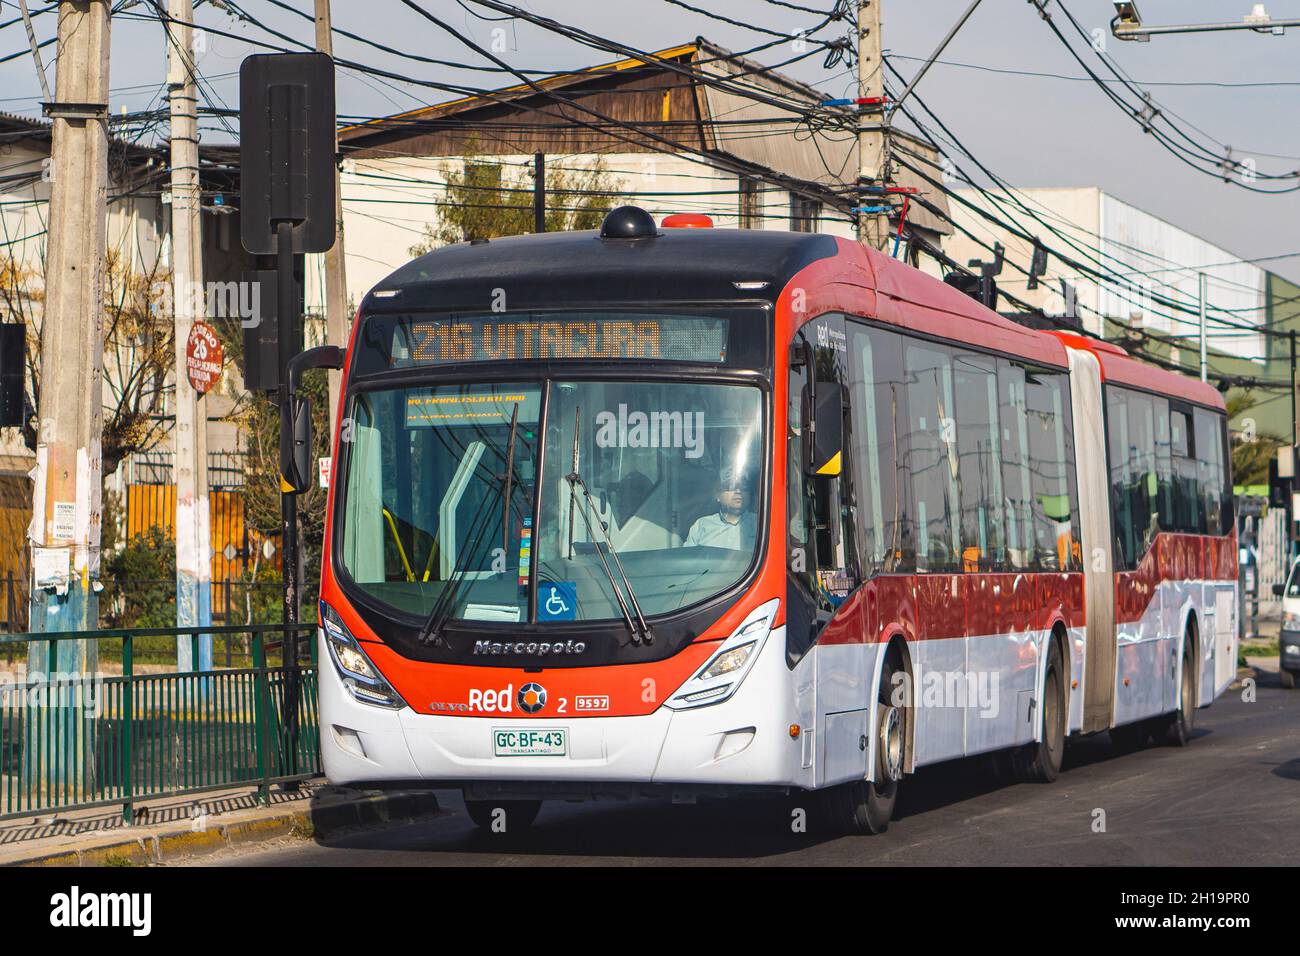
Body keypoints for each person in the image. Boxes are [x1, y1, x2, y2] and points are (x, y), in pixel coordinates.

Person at [685, 464, 757, 551]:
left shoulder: (761, 524)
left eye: (744, 488)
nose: (738, 491)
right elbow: (688, 560)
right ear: (718, 495)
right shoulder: (701, 525)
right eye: (731, 487)